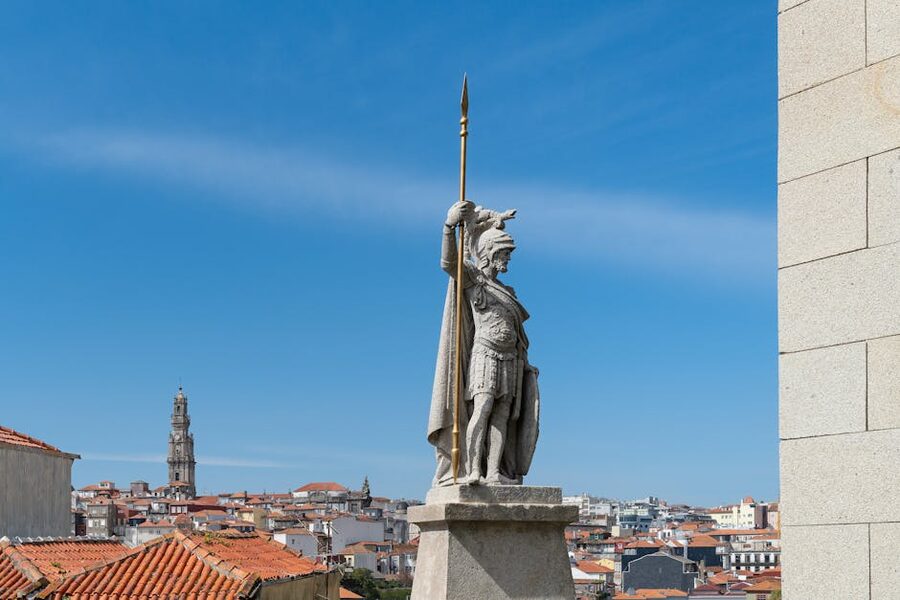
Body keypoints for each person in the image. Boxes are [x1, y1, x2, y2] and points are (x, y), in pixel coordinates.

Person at [426, 199, 540, 486]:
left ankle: (493, 473)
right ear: (490, 252)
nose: (508, 259)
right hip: (484, 355)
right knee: (483, 409)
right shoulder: (473, 279)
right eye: (505, 253)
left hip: (510, 360)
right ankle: (473, 469)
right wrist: (449, 226)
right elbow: (449, 263)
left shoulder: (507, 290)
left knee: (502, 415)